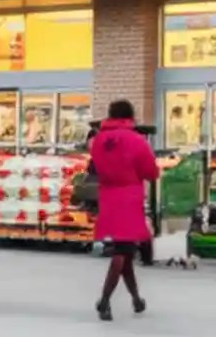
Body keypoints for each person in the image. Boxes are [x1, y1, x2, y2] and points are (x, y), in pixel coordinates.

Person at [89, 99, 159, 321]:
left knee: (125, 251)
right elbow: (151, 171)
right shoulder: (135, 140)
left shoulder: (98, 140)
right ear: (130, 116)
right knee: (122, 252)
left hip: (108, 197)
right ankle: (104, 301)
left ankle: (137, 300)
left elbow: (96, 169)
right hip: (129, 198)